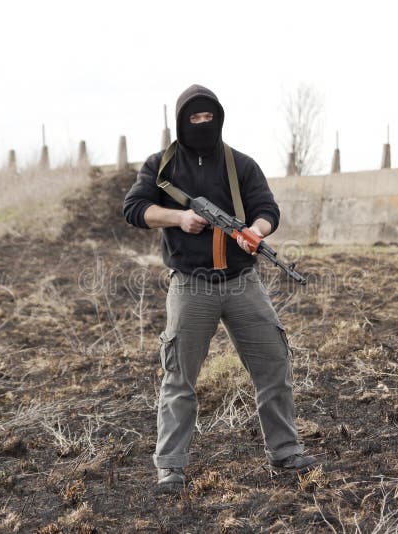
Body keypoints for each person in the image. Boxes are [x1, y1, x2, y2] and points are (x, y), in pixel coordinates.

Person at [123, 84, 317, 491]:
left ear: (219, 118)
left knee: (274, 364)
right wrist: (179, 219)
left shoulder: (240, 164)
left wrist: (254, 232)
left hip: (243, 281)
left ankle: (285, 451)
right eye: (192, 118)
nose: (201, 124)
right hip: (191, 285)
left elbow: (267, 209)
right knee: (179, 377)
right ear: (180, 122)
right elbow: (134, 208)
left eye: (207, 117)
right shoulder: (162, 166)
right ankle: (171, 465)